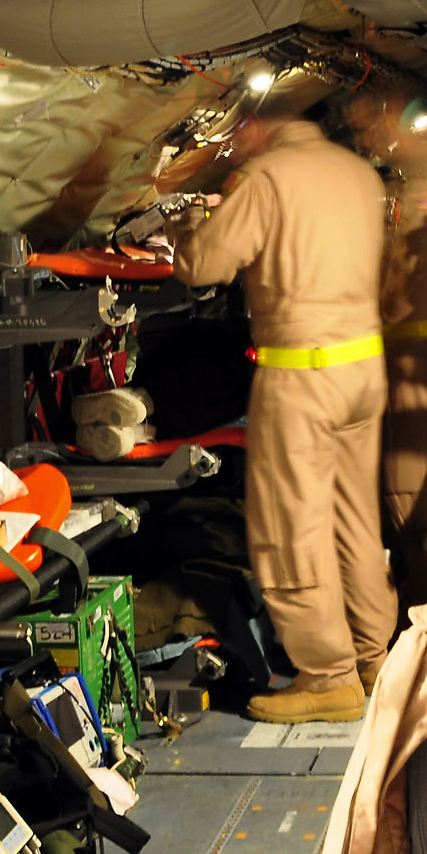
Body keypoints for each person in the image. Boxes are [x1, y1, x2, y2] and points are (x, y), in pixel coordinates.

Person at [168, 78, 396, 723]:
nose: (233, 144)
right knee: (356, 519)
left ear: (257, 127)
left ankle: (327, 678)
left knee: (291, 527)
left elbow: (208, 266)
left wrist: (186, 227)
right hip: (362, 364)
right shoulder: (360, 174)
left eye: (237, 132)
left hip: (303, 372)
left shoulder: (266, 178)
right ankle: (374, 655)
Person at [346, 82, 427, 606]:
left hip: (417, 359)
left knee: (414, 502)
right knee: (414, 499)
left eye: (373, 124)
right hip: (415, 356)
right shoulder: (418, 180)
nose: (368, 137)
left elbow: (407, 290)